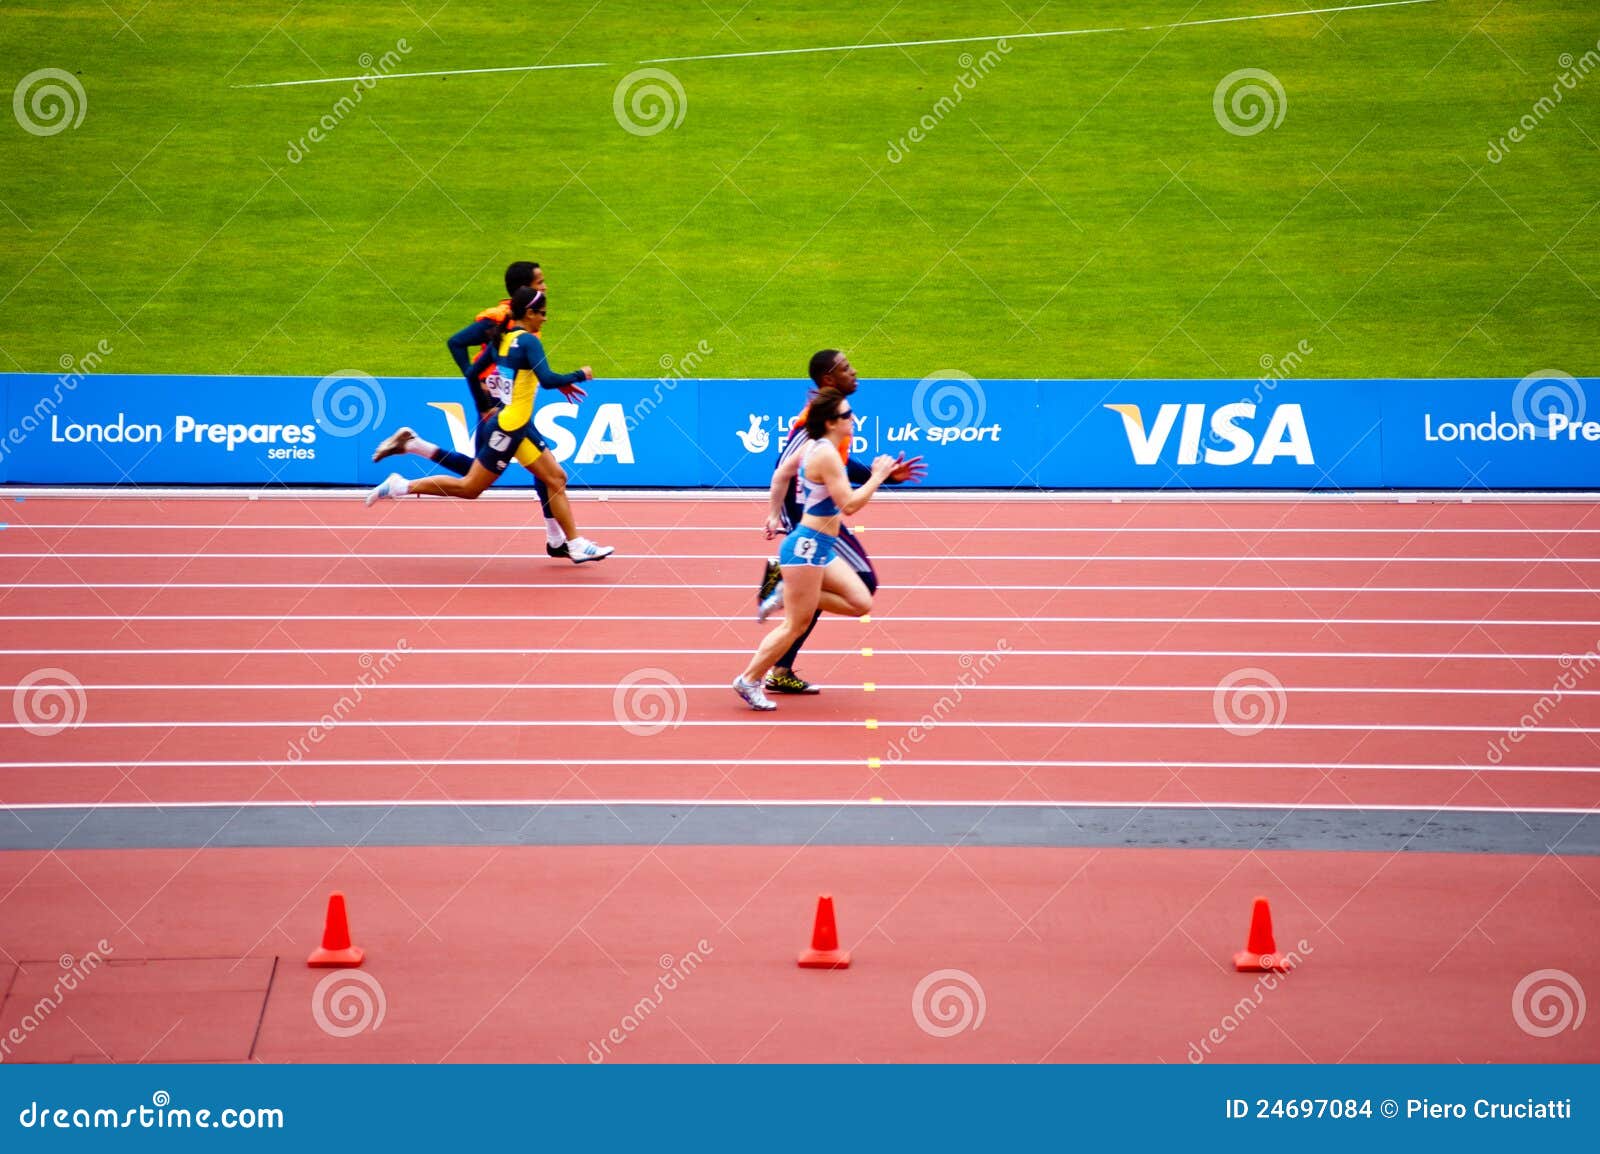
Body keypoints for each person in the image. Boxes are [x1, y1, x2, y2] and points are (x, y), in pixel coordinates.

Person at [366, 287, 615, 563]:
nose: (545, 319)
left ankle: (575, 544)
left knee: (555, 478)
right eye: (542, 314)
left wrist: (484, 405)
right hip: (508, 430)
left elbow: (473, 372)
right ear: (529, 313)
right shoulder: (530, 342)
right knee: (471, 488)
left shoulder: (502, 339)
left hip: (508, 424)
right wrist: (580, 374)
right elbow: (545, 379)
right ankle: (402, 486)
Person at [755, 349, 926, 695]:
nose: (855, 371)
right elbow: (784, 469)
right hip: (807, 517)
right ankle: (786, 596)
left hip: (822, 515)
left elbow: (840, 465)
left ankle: (781, 664)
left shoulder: (835, 416)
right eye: (847, 368)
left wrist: (888, 476)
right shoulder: (814, 422)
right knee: (862, 582)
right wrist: (776, 514)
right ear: (829, 380)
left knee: (842, 587)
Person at [734, 388, 897, 710]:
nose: (854, 419)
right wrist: (878, 477)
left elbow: (782, 474)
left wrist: (772, 513)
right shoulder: (825, 455)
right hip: (806, 548)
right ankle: (749, 679)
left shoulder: (816, 447)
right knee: (795, 624)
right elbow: (849, 505)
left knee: (861, 602)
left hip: (820, 546)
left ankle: (785, 590)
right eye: (847, 415)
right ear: (831, 422)